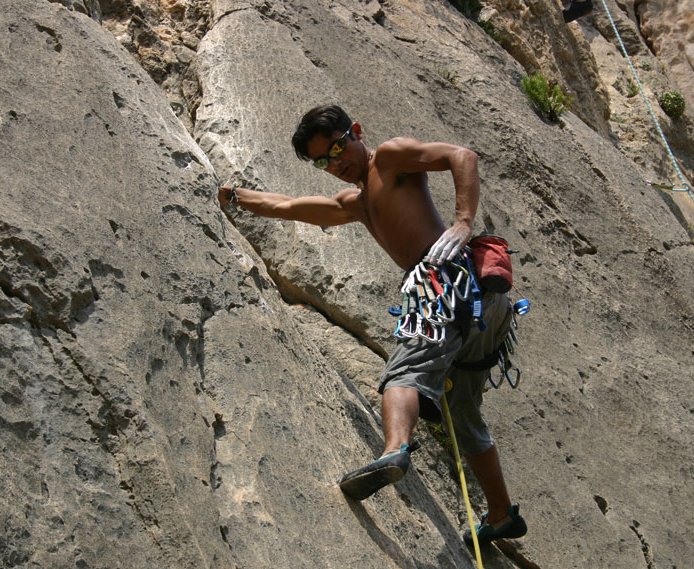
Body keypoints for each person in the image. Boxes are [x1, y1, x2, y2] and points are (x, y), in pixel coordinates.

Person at [218, 105, 527, 544]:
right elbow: (288, 206)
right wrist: (234, 196)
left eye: (339, 147)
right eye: (324, 161)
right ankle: (501, 515)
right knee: (463, 414)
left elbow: (463, 155)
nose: (336, 163)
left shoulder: (390, 158)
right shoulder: (356, 202)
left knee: (404, 372)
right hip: (483, 309)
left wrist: (462, 222)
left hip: (447, 283)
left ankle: (393, 451)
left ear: (357, 131)